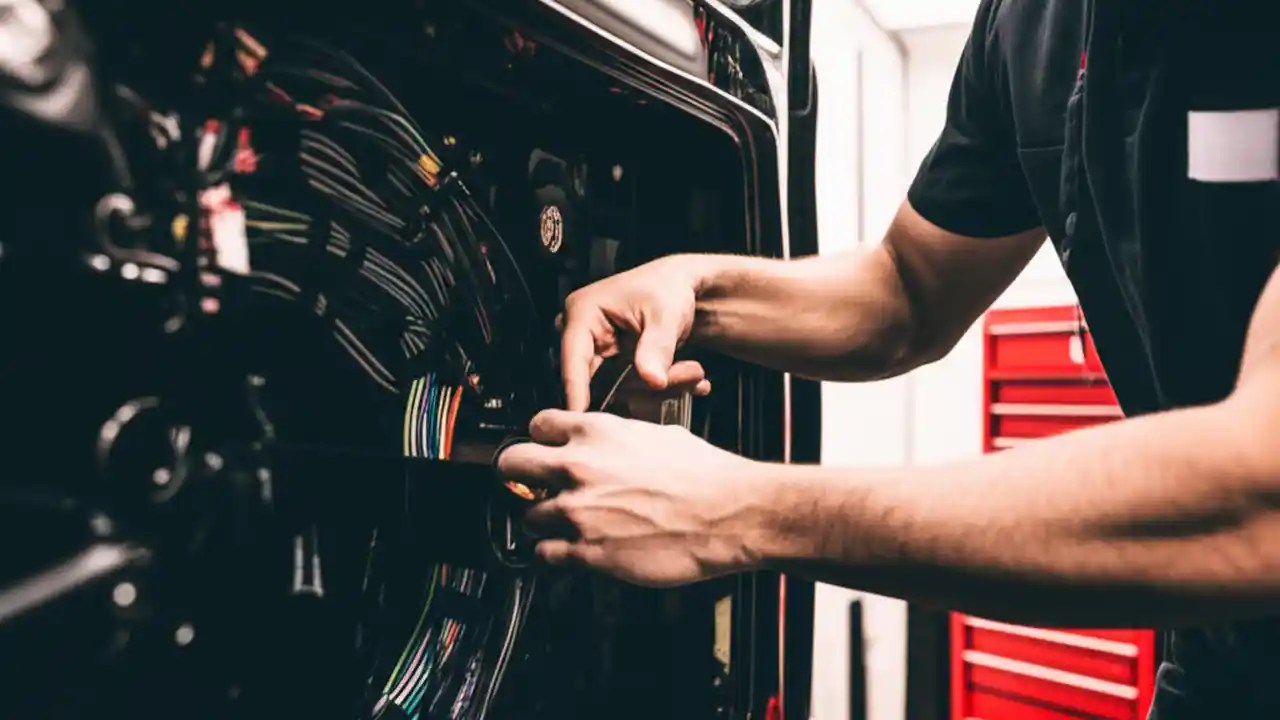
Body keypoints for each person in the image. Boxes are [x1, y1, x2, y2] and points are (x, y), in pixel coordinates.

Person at [498, 0, 1278, 717]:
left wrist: (731, 510)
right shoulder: (1031, 25)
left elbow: (1263, 492)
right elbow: (907, 291)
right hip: (1219, 666)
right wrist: (698, 295)